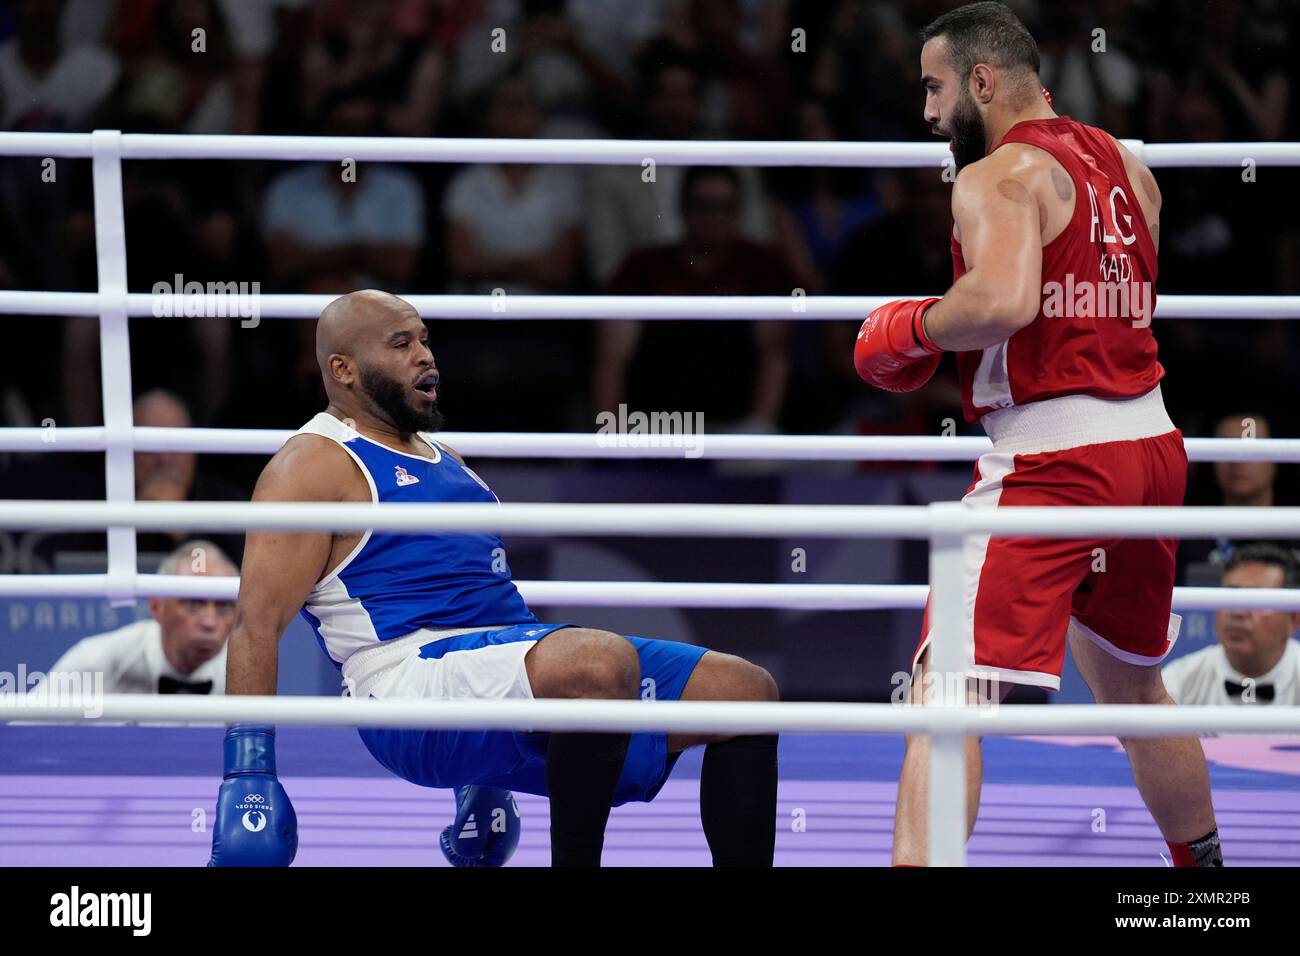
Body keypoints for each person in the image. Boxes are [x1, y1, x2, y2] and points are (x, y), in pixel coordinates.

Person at [208, 290, 780, 868]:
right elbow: (256, 625)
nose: (425, 355)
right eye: (401, 344)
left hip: (495, 665)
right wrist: (249, 773)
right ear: (343, 369)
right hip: (403, 687)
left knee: (745, 692)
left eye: (424, 339)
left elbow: (486, 614)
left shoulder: (446, 459)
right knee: (596, 662)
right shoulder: (312, 465)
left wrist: (482, 784)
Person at [854, 2, 1221, 867]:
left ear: (983, 80)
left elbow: (1004, 303)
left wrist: (909, 328)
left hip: (1056, 460)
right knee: (1136, 694)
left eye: (936, 88)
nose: (929, 112)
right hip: (1150, 447)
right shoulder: (1128, 166)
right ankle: (1206, 895)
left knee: (947, 698)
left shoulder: (998, 175)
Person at [41, 540, 237, 694]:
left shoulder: (247, 671)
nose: (210, 622)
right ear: (157, 606)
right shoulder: (96, 660)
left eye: (224, 606)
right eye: (193, 604)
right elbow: (28, 726)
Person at [1163, 544, 1300, 707]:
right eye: (1230, 596)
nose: (1238, 612)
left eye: (1258, 600)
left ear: (1293, 619)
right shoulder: (1179, 681)